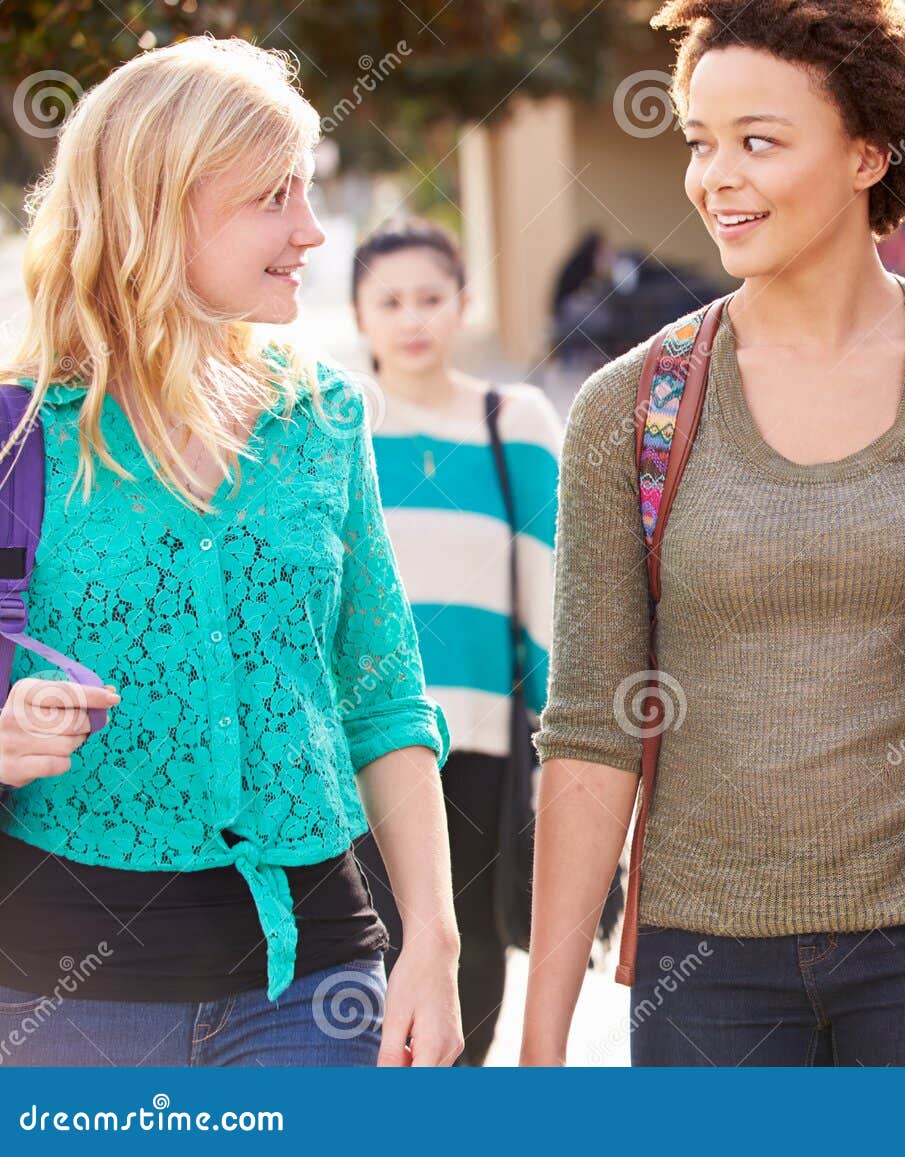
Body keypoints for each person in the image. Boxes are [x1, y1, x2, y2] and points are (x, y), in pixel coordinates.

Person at [522, 0, 905, 1067]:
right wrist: (541, 1048)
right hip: (703, 958)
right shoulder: (633, 407)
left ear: (864, 154)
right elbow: (590, 726)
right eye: (700, 143)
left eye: (758, 141)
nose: (715, 176)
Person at [0, 38, 461, 1067]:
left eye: (308, 191)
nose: (309, 230)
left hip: (315, 986)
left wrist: (431, 937)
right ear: (157, 209)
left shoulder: (324, 418)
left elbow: (381, 695)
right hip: (60, 996)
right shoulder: (18, 436)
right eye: (272, 196)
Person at [349, 216, 563, 1065]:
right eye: (390, 301)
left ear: (463, 304)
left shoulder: (516, 420)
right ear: (360, 314)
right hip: (355, 743)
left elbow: (552, 593)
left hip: (480, 739)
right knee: (361, 954)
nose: (413, 319)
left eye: (431, 298)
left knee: (468, 942)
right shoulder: (330, 421)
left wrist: (561, 750)